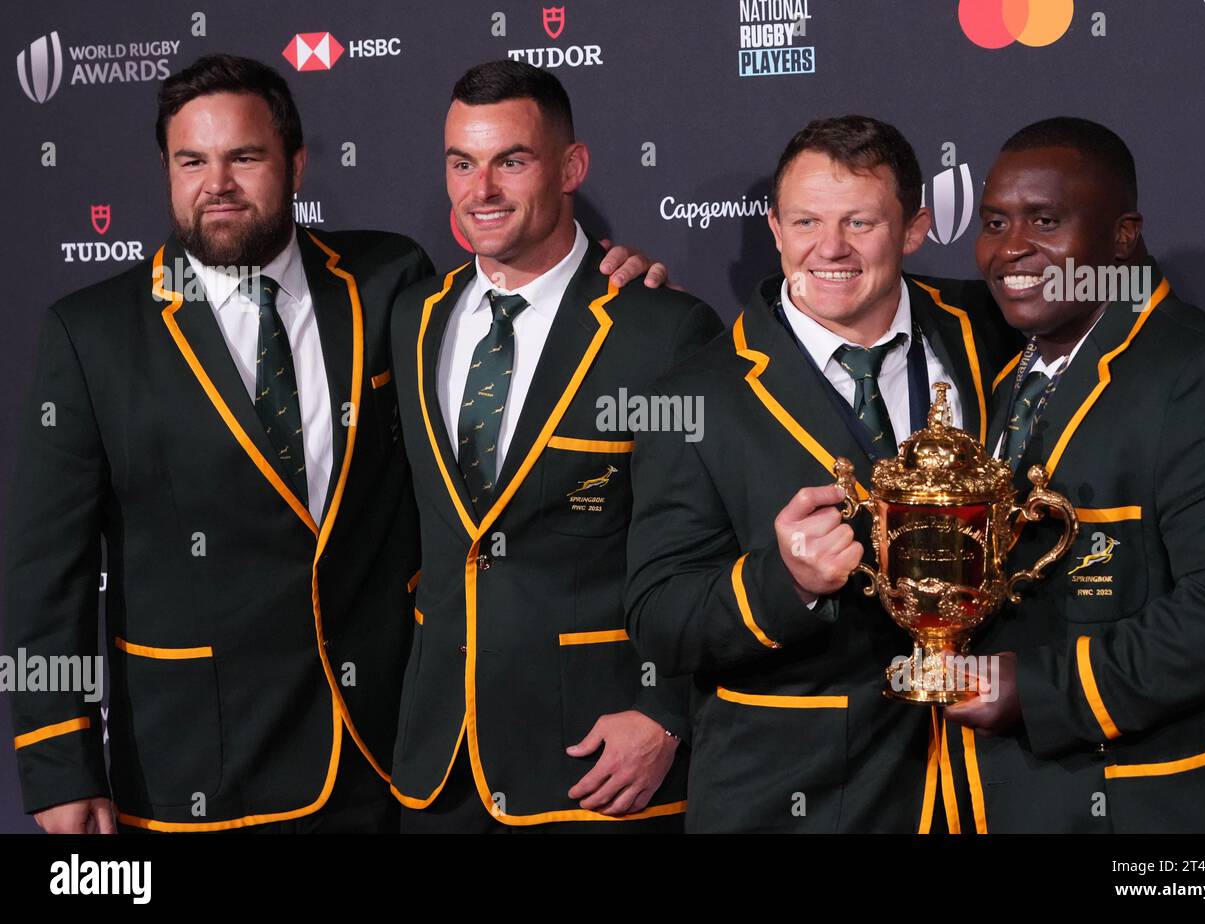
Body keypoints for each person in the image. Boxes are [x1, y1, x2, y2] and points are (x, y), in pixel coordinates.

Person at [4, 53, 657, 834]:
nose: (217, 183)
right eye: (192, 161)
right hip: (197, 770)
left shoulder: (390, 283)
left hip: (390, 759)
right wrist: (57, 765)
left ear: (295, 163)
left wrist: (627, 290)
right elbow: (49, 574)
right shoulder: (93, 333)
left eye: (244, 157)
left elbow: (527, 310)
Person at [624, 115, 1020, 832]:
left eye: (860, 222)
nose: (828, 248)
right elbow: (660, 618)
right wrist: (785, 582)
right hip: (794, 795)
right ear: (774, 228)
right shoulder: (692, 396)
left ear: (916, 228)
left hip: (987, 782)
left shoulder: (990, 330)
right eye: (805, 220)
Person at [388, 60, 720, 832]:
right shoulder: (412, 318)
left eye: (512, 160)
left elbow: (709, 541)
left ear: (572, 167)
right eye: (462, 164)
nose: (483, 190)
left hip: (598, 764)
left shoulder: (660, 329)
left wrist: (666, 713)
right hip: (438, 768)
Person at [942, 117, 1205, 833]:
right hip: (1015, 798)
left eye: (1046, 220)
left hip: (1159, 811)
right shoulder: (1011, 378)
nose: (1012, 249)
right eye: (995, 221)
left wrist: (1043, 690)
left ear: (1123, 236)